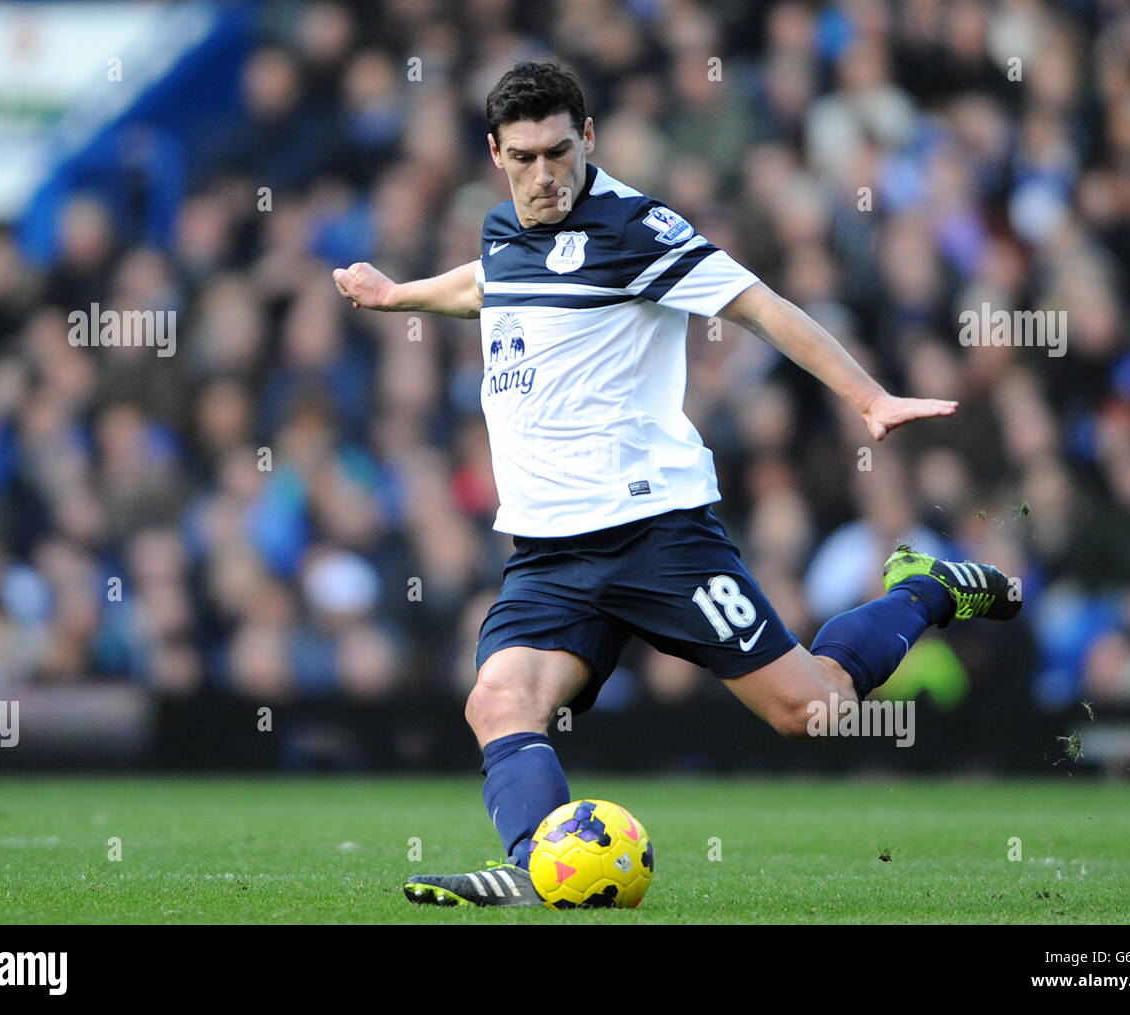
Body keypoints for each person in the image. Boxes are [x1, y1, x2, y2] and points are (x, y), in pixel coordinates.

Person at [333, 61, 1020, 907]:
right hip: (547, 550)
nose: (544, 177)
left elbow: (759, 305)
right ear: (495, 153)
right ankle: (533, 864)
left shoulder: (637, 228)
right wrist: (397, 295)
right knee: (499, 699)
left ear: (588, 137)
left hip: (656, 535)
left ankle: (924, 592)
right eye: (523, 159)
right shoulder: (503, 233)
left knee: (810, 711)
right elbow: (485, 286)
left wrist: (868, 397)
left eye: (558, 153)